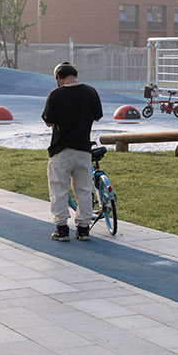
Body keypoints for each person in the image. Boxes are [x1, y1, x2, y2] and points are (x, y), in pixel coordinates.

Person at [42, 61, 102, 241]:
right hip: (83, 149)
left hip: (61, 149)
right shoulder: (91, 92)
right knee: (83, 189)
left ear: (59, 78)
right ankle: (83, 229)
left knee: (59, 188)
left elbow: (49, 122)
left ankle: (62, 229)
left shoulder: (56, 94)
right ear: (75, 75)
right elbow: (97, 116)